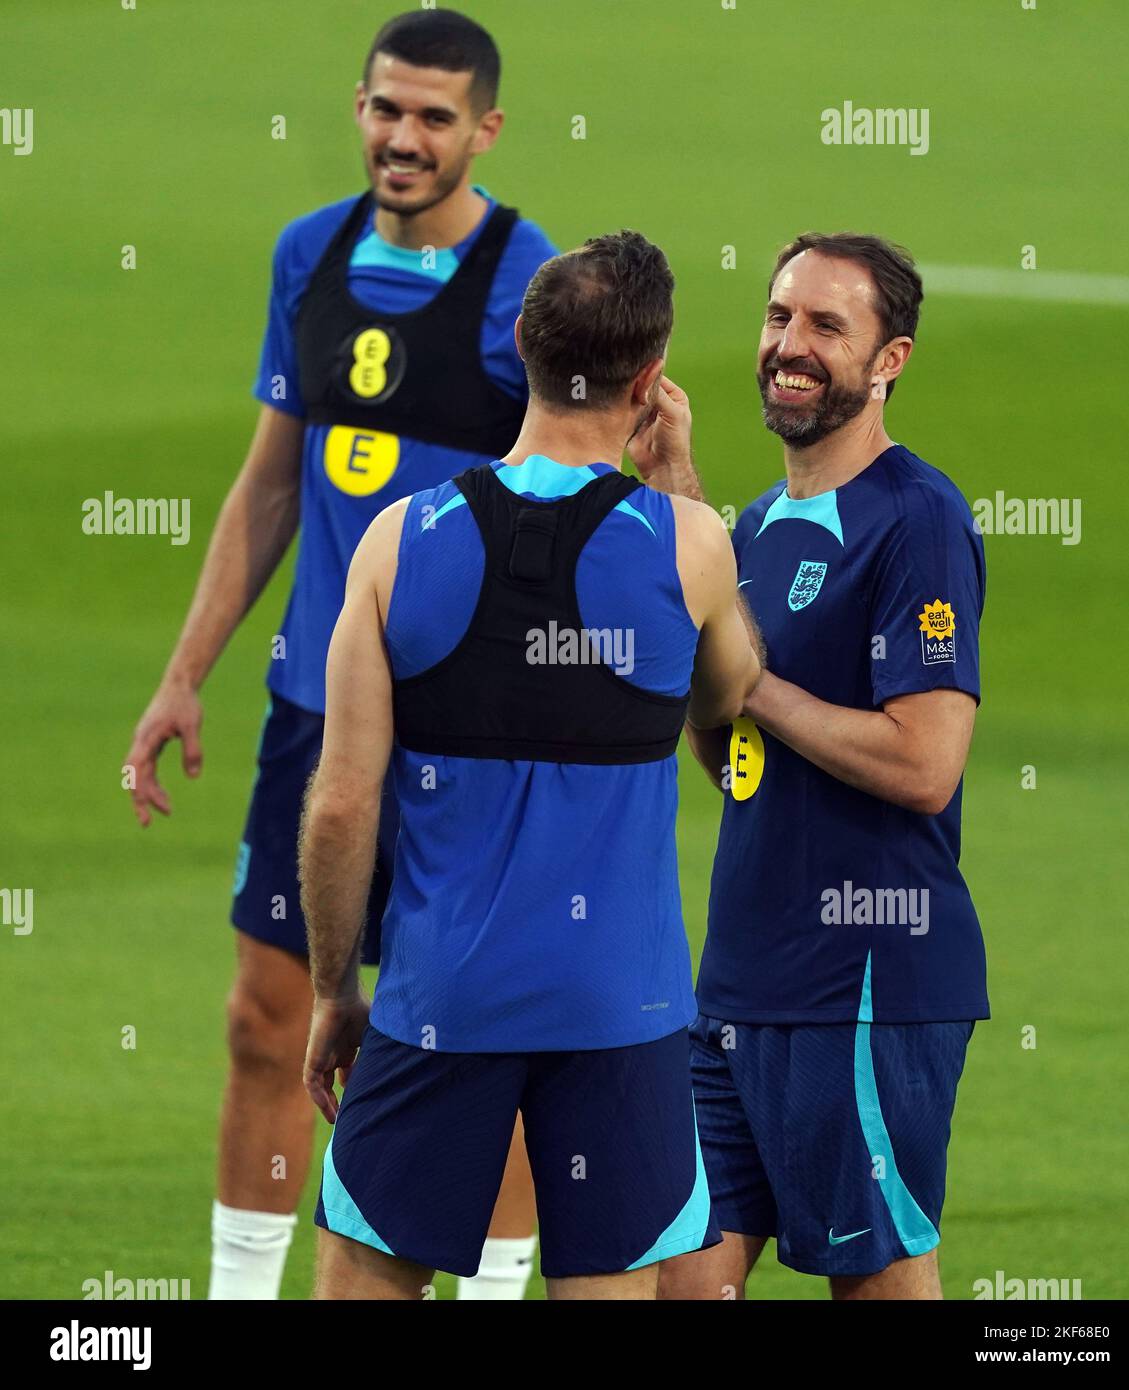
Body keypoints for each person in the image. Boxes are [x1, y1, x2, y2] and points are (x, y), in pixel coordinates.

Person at [123, 10, 555, 1300]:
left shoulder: (531, 284)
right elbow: (270, 482)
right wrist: (183, 672)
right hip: (312, 715)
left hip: (466, 732)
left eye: (433, 116)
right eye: (384, 108)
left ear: (485, 129)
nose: (402, 137)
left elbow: (572, 501)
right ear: (356, 106)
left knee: (479, 1040)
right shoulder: (306, 254)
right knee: (265, 1020)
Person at [298, 230, 763, 1299]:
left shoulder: (397, 542)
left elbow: (340, 809)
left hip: (440, 999)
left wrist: (333, 989)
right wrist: (677, 481)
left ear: (520, 341)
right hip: (623, 1011)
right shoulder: (689, 546)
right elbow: (733, 702)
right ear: (648, 381)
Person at [661, 233, 987, 1301]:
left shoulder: (917, 520)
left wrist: (751, 683)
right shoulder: (756, 524)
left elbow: (926, 763)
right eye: (777, 316)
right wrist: (677, 500)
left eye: (824, 327)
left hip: (860, 985)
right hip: (738, 982)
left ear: (888, 360)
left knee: (875, 1283)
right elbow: (733, 763)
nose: (788, 345)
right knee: (675, 1286)